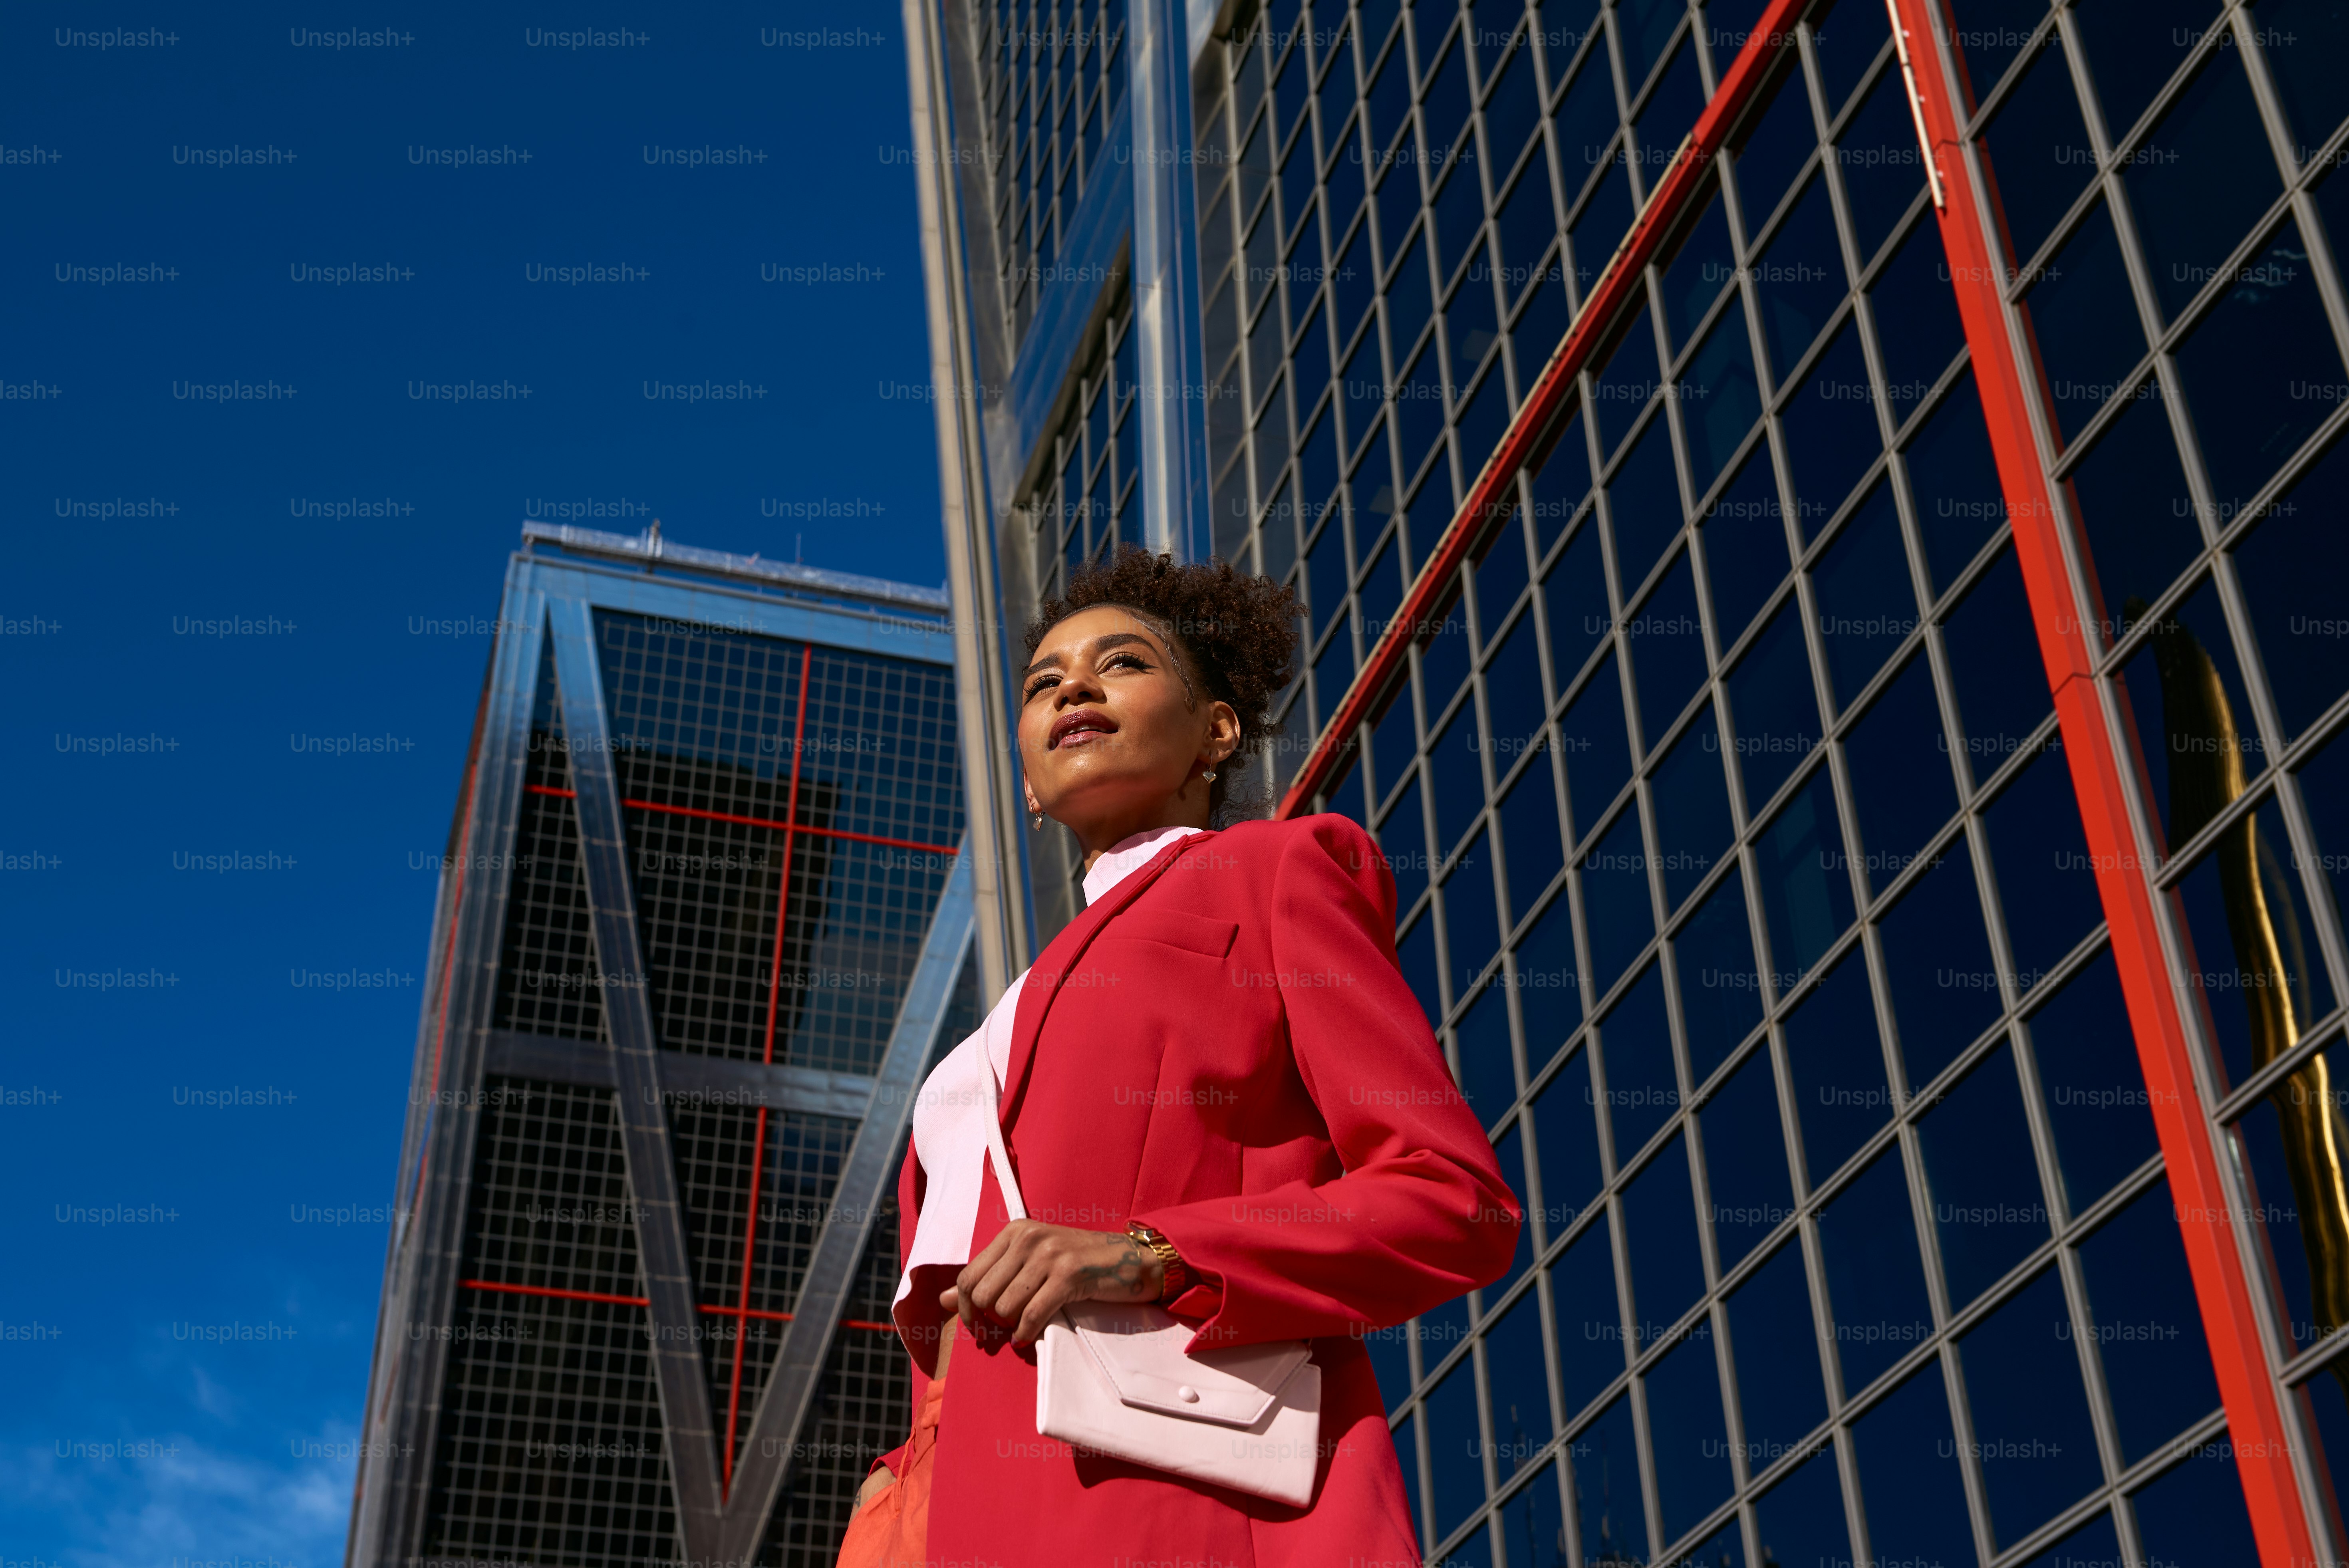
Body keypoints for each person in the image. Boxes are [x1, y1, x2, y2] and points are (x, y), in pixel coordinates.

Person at [837, 546, 1519, 1567]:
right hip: (940, 1513)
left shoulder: (1273, 872)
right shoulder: (993, 1032)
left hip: (1159, 1496)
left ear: (1217, 730)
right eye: (1043, 682)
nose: (1073, 684)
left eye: (1122, 663)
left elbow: (1452, 1202)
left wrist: (1153, 1253)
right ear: (1026, 783)